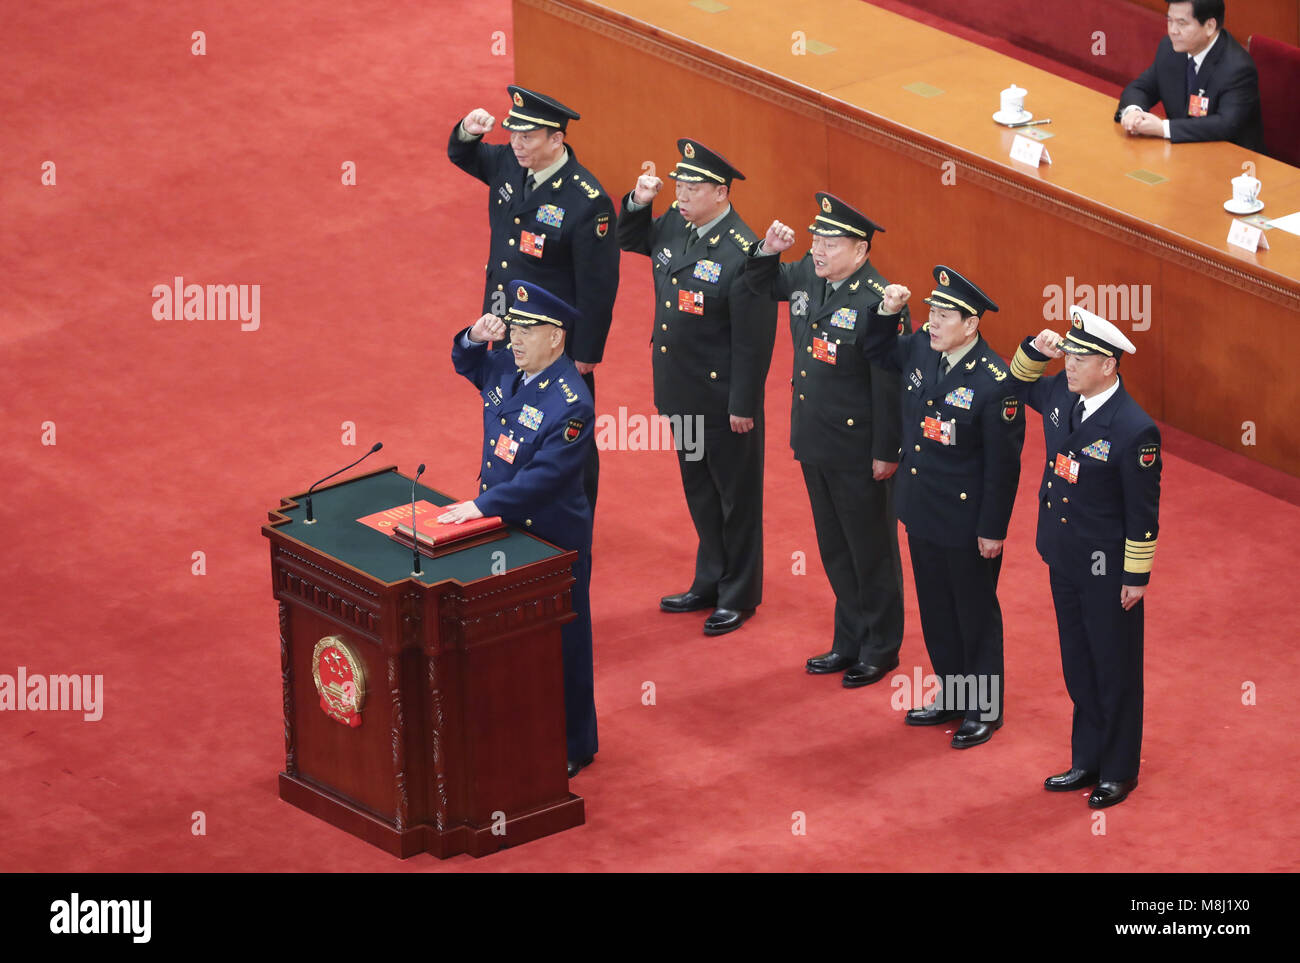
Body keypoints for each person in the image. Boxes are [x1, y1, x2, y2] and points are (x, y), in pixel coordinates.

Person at [852, 265, 1025, 748]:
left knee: (974, 613)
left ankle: (984, 709)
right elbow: (876, 349)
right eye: (931, 311)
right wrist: (886, 312)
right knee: (936, 610)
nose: (932, 321)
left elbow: (1002, 468)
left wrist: (993, 528)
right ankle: (951, 693)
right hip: (922, 507)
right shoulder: (920, 351)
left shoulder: (996, 382)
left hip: (967, 522)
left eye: (945, 314)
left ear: (971, 325)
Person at [616, 140, 777, 635]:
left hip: (722, 401)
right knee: (700, 490)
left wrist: (743, 403)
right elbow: (631, 239)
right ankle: (709, 579)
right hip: (680, 390)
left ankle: (739, 593)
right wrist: (640, 202)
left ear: (721, 192)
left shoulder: (742, 251)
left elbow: (754, 341)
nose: (681, 195)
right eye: (678, 186)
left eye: (692, 188)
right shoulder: (676, 226)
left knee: (736, 497)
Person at [440, 281, 598, 778]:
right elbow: (469, 365)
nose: (516, 338)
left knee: (562, 640)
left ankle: (576, 742)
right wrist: (472, 335)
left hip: (550, 535)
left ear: (556, 337)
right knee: (510, 633)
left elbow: (544, 478)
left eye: (528, 330)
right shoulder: (509, 364)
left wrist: (482, 506)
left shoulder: (572, 403)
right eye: (516, 327)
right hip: (503, 526)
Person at [1006, 306, 1162, 808]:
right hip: (1063, 554)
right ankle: (1086, 759)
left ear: (1109, 365)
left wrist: (1135, 575)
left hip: (1106, 568)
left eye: (1080, 357)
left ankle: (1118, 769)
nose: (1068, 364)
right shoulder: (1060, 395)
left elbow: (1142, 511)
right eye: (1068, 353)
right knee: (1077, 662)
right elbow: (1017, 382)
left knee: (1114, 666)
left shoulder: (1135, 429)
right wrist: (1036, 349)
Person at [747, 195, 905, 688]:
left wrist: (886, 451)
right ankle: (848, 638)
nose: (818, 251)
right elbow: (759, 285)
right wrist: (767, 250)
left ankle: (880, 647)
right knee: (835, 545)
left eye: (830, 244)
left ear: (860, 251)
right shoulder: (807, 277)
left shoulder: (879, 302)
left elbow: (889, 386)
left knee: (870, 547)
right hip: (814, 438)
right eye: (816, 240)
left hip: (859, 448)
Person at [447, 85, 620, 508]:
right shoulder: (509, 163)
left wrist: (586, 351)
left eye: (528, 137)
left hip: (553, 337)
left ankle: (575, 507)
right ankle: (510, 498)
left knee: (565, 424)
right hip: (506, 323)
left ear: (557, 140)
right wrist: (467, 131)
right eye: (514, 134)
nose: (517, 144)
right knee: (510, 413)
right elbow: (464, 155)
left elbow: (598, 285)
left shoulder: (586, 201)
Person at [1115, 0, 1264, 151]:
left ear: (1210, 26)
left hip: (1230, 161)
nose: (1173, 30)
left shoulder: (1237, 68)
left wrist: (1163, 128)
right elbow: (1140, 88)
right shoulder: (1170, 49)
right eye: (1169, 20)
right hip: (1181, 153)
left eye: (1182, 23)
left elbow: (1226, 124)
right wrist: (1134, 112)